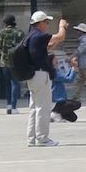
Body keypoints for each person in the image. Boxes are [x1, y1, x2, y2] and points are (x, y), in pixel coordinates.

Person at [24, 10, 68, 147]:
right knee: (43, 108)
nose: (48, 25)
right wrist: (62, 26)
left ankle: (31, 138)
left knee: (34, 108)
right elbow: (60, 37)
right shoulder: (39, 35)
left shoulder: (30, 36)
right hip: (41, 74)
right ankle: (42, 138)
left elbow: (46, 48)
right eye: (46, 22)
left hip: (32, 76)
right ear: (40, 23)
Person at [0, 15, 24, 114]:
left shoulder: (0, 32)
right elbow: (22, 46)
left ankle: (8, 105)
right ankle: (14, 106)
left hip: (4, 60)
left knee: (7, 84)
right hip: (15, 61)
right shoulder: (19, 32)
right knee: (15, 83)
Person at [51, 55, 81, 122]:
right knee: (77, 104)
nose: (57, 61)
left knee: (73, 118)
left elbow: (65, 76)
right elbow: (69, 79)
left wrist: (72, 67)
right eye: (55, 59)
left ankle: (58, 114)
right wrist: (74, 68)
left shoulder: (53, 71)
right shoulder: (53, 73)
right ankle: (55, 112)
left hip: (59, 100)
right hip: (57, 101)